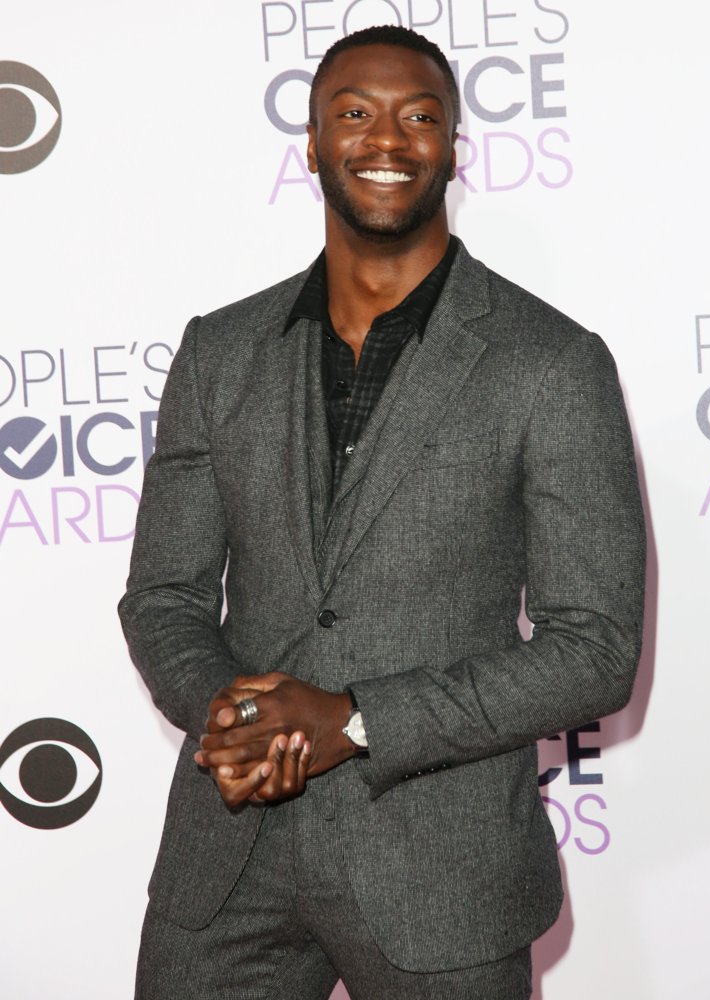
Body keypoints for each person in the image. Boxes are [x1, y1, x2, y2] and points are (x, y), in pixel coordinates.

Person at [119, 23, 646, 1000]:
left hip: (441, 870)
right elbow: (162, 596)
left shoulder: (551, 364)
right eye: (354, 113)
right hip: (227, 856)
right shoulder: (220, 351)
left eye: (418, 116)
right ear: (312, 143)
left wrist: (355, 721)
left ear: (452, 146)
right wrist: (236, 717)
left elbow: (594, 647)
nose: (386, 139)